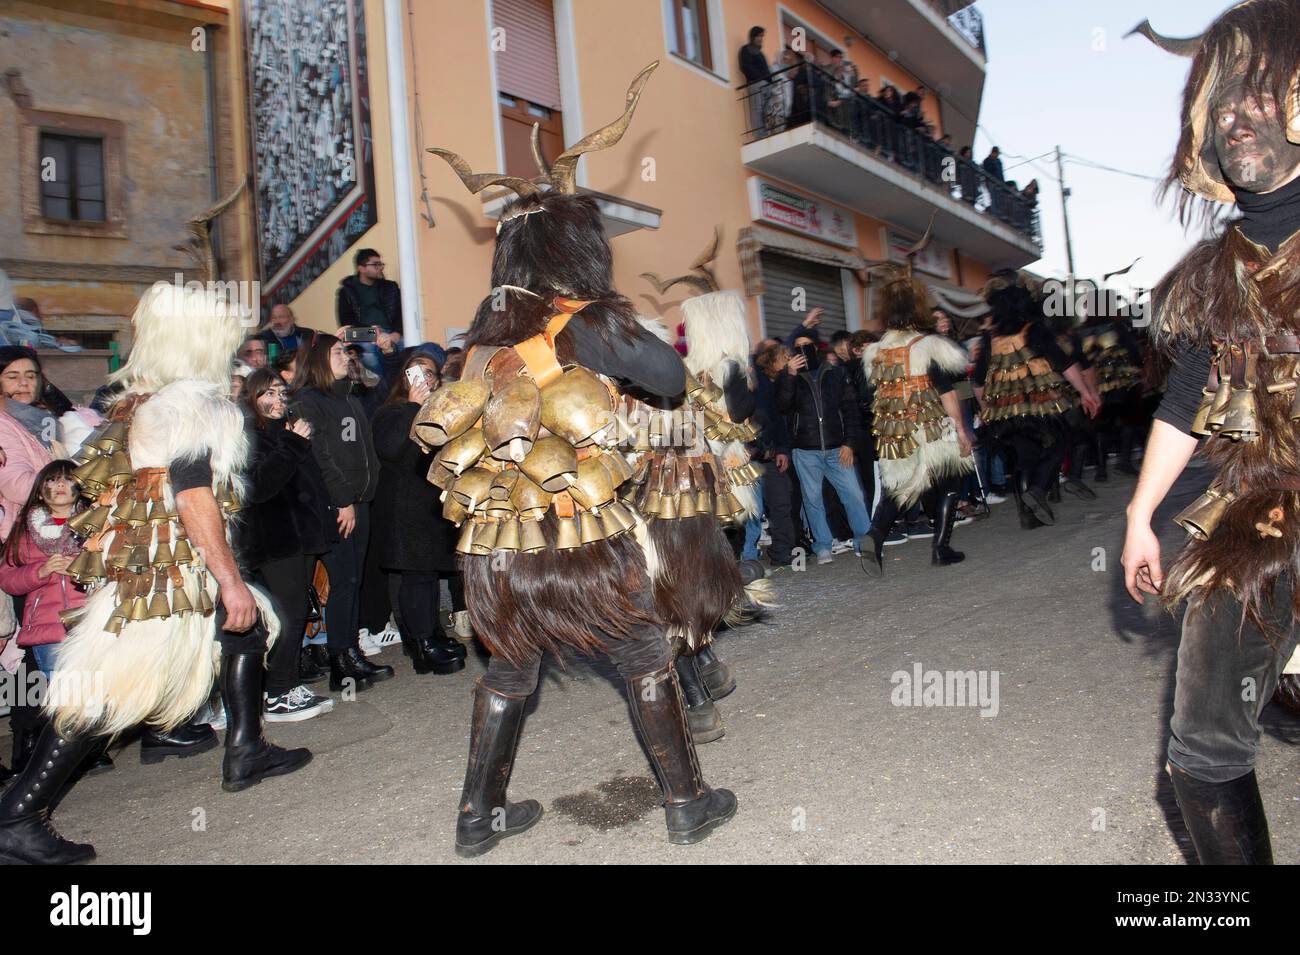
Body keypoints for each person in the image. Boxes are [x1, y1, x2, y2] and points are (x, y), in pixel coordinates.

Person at [425, 62, 736, 856]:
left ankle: (477, 816)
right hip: (578, 538)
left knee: (509, 671)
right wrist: (612, 332)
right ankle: (687, 801)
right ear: (579, 247)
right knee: (642, 651)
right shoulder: (582, 319)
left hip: (494, 552)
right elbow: (669, 377)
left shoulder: (481, 339)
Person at [0, 282, 311, 865]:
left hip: (162, 559)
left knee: (248, 629)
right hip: (163, 574)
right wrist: (229, 580)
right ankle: (19, 814)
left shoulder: (149, 399)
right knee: (111, 687)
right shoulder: (196, 403)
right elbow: (194, 496)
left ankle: (246, 748)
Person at [1123, 0, 1300, 864]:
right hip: (1261, 514)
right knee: (1200, 749)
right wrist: (1139, 514)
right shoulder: (1210, 277)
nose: (1236, 115)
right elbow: (1187, 398)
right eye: (1221, 100)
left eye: (1257, 91)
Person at [289, 334, 391, 692]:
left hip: (360, 501)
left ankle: (351, 652)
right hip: (338, 505)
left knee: (353, 580)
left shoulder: (349, 397)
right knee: (343, 581)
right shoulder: (308, 401)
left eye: (346, 353)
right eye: (337, 352)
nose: (345, 357)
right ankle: (340, 662)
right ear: (318, 358)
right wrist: (343, 501)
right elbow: (321, 457)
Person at [860, 259, 976, 573]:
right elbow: (946, 391)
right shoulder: (928, 345)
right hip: (932, 425)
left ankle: (875, 535)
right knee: (950, 481)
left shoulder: (876, 351)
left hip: (895, 429)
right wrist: (962, 430)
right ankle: (942, 547)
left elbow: (873, 394)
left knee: (900, 486)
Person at [238, 369, 336, 722]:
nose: (277, 399)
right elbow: (259, 487)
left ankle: (287, 685)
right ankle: (278, 693)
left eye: (281, 392)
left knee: (296, 613)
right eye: (268, 393)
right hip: (275, 541)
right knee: (287, 616)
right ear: (252, 398)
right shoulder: (248, 437)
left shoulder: (287, 431)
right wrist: (294, 444)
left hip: (300, 539)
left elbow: (311, 486)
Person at [974, 273, 1099, 530]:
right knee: (1058, 444)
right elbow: (1064, 363)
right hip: (1040, 401)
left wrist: (986, 408)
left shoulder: (990, 338)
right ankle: (1038, 490)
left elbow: (977, 380)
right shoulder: (1034, 329)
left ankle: (1028, 516)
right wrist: (1086, 392)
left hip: (1004, 409)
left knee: (1024, 457)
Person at [370, 350, 466, 675]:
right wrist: (414, 406)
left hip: (429, 506)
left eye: (429, 374)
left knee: (428, 576)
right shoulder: (392, 411)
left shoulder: (440, 412)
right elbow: (392, 447)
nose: (424, 379)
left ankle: (431, 634)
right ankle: (422, 643)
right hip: (404, 507)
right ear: (404, 380)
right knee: (416, 577)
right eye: (416, 373)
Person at [0, 347, 100, 539]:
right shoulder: (3, 424)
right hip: (24, 533)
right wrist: (81, 483)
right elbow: (19, 487)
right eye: (12, 377)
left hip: (52, 526)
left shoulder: (44, 419)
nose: (24, 383)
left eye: (31, 376)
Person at [336, 249, 402, 375]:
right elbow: (345, 321)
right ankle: (386, 383)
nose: (380, 268)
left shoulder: (390, 288)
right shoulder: (347, 291)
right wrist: (372, 331)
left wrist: (397, 333)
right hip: (363, 333)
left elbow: (401, 313)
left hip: (389, 332)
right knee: (368, 355)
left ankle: (392, 382)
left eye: (381, 264)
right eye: (375, 264)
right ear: (361, 268)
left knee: (408, 351)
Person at [738, 26, 772, 137]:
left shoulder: (760, 53)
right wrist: (759, 77)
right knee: (757, 109)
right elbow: (745, 66)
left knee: (767, 110)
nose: (761, 38)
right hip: (756, 83)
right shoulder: (746, 49)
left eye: (762, 36)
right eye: (759, 36)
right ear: (753, 36)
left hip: (766, 84)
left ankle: (766, 133)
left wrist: (769, 80)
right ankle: (759, 135)